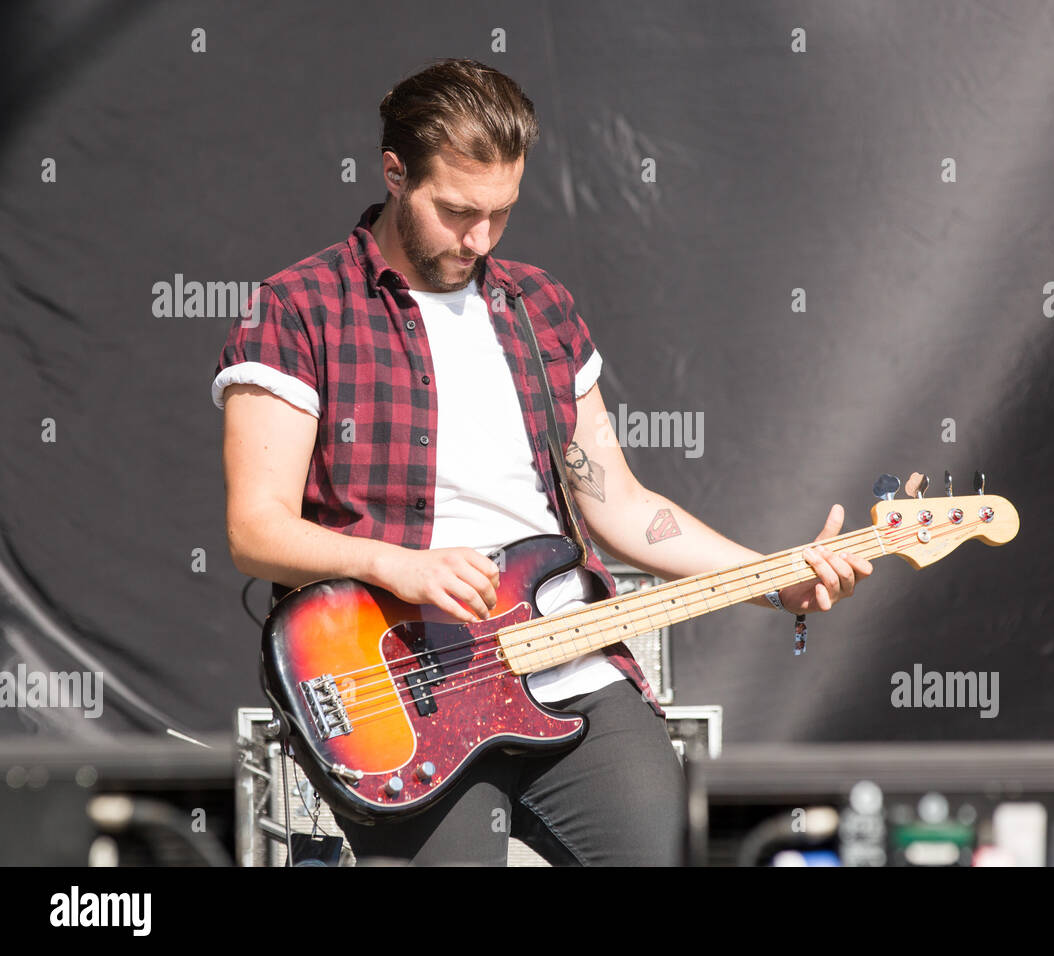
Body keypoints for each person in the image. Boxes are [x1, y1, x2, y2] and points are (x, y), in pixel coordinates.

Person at [212, 59, 873, 866]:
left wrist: (777, 578)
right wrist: (397, 565)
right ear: (394, 173)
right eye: (457, 212)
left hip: (568, 662)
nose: (480, 239)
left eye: (500, 214)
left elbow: (621, 506)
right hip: (404, 686)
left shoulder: (540, 308)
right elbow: (256, 530)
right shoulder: (300, 306)